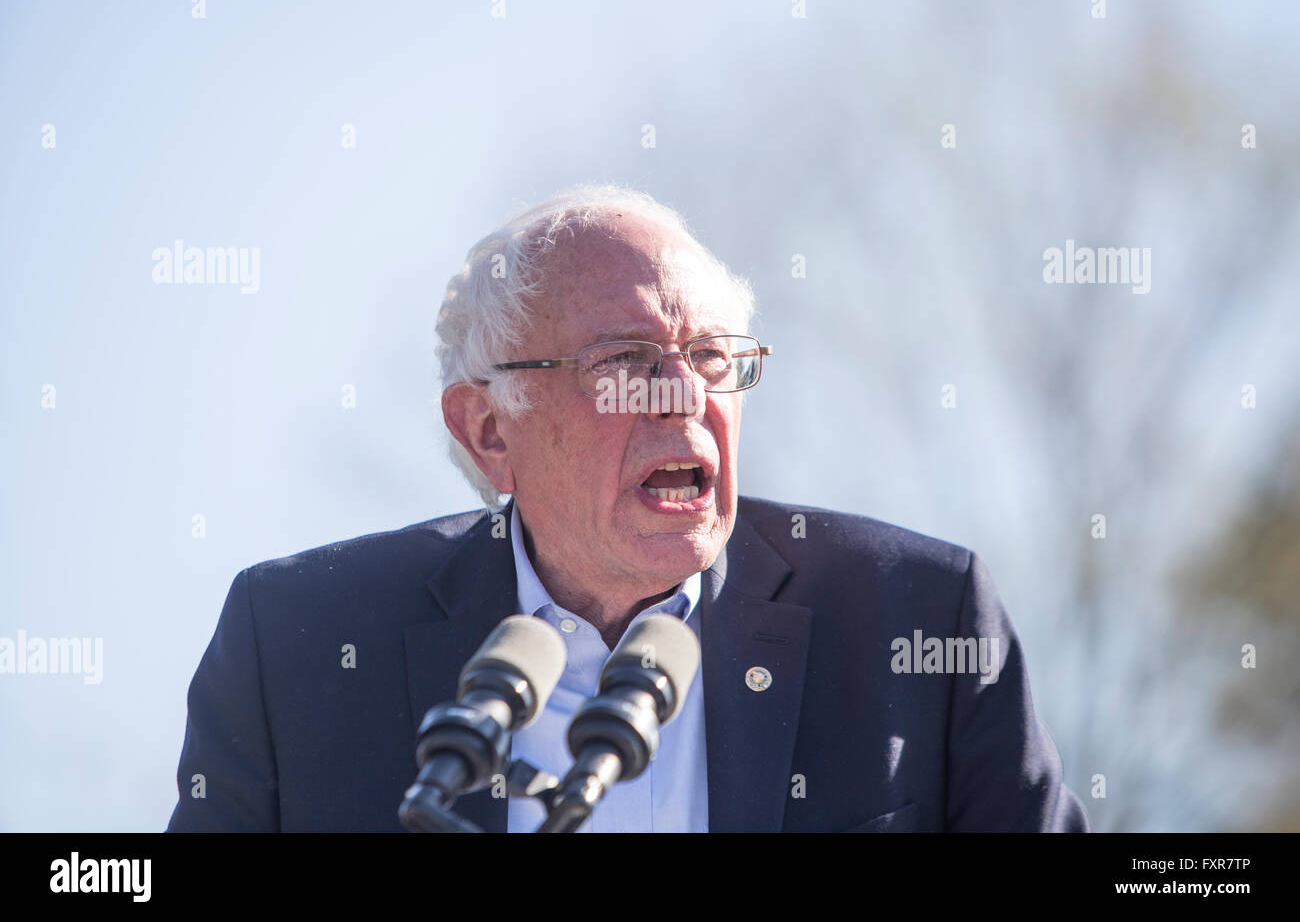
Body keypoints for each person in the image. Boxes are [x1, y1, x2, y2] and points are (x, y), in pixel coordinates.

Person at [167, 185, 1089, 832]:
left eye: (712, 358)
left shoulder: (917, 620)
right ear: (491, 431)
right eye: (627, 361)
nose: (683, 394)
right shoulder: (297, 643)